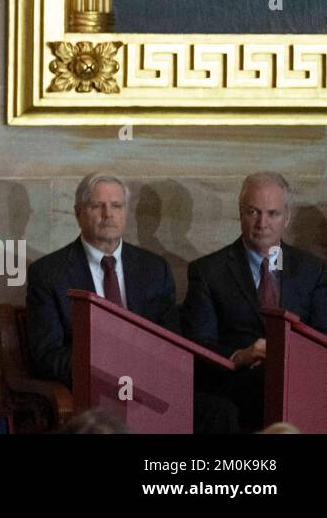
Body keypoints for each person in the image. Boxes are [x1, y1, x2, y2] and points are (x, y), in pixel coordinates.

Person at [182, 172, 327, 432]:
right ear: (240, 214)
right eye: (253, 212)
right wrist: (242, 356)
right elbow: (197, 345)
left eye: (272, 214)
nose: (263, 223)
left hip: (300, 383)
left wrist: (286, 357)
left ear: (287, 218)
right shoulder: (208, 272)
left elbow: (321, 336)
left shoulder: (312, 270)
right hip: (236, 386)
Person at [26, 172, 180, 386]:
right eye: (97, 206)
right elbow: (47, 357)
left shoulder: (154, 269)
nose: (108, 214)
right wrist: (109, 367)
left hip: (151, 385)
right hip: (90, 390)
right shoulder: (49, 273)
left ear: (126, 213)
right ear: (78, 213)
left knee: (218, 411)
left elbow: (173, 343)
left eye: (117, 206)